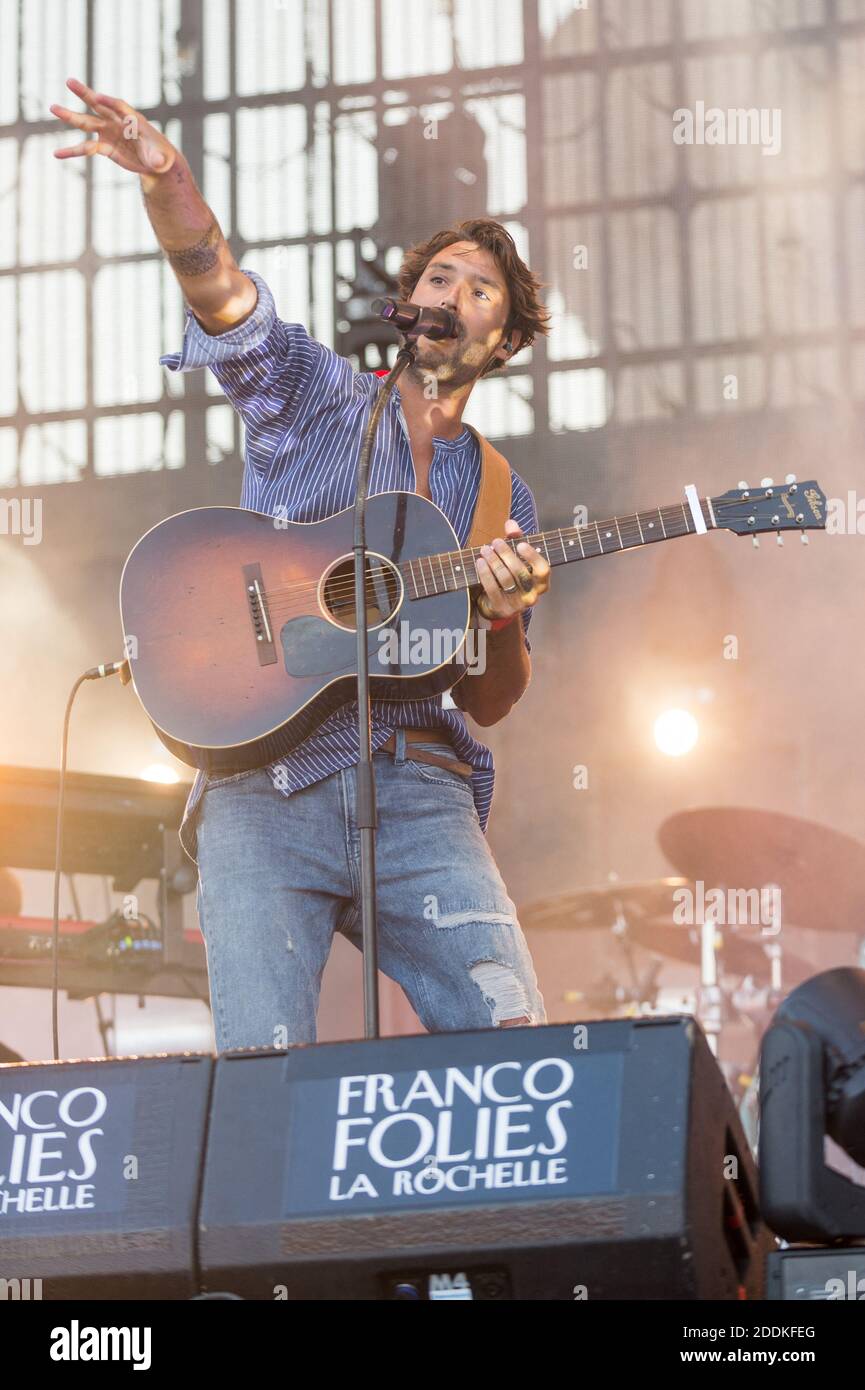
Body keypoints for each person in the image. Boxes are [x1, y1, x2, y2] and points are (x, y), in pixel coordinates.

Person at [51, 80, 553, 1048]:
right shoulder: (316, 393)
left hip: (419, 789)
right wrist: (169, 183)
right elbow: (220, 291)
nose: (453, 295)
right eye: (440, 277)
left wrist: (496, 615)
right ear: (410, 303)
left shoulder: (501, 495)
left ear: (507, 338)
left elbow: (490, 699)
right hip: (259, 789)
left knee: (511, 1043)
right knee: (257, 1069)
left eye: (480, 288)